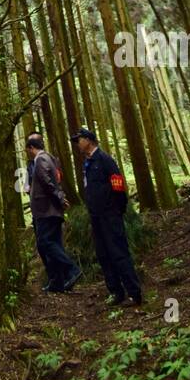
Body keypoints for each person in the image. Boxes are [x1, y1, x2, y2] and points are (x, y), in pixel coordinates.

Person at [70, 127, 142, 307]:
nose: (77, 144)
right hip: (96, 217)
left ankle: (134, 293)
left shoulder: (104, 160)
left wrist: (117, 208)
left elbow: (117, 185)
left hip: (110, 215)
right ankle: (116, 292)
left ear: (88, 140)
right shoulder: (86, 163)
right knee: (104, 255)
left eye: (79, 140)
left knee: (119, 253)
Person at [26, 133, 81, 294]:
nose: (29, 153)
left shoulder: (41, 159)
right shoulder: (50, 158)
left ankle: (72, 269)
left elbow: (47, 181)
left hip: (46, 210)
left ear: (32, 147)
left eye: (29, 150)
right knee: (54, 243)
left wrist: (59, 198)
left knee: (45, 242)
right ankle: (58, 282)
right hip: (52, 210)